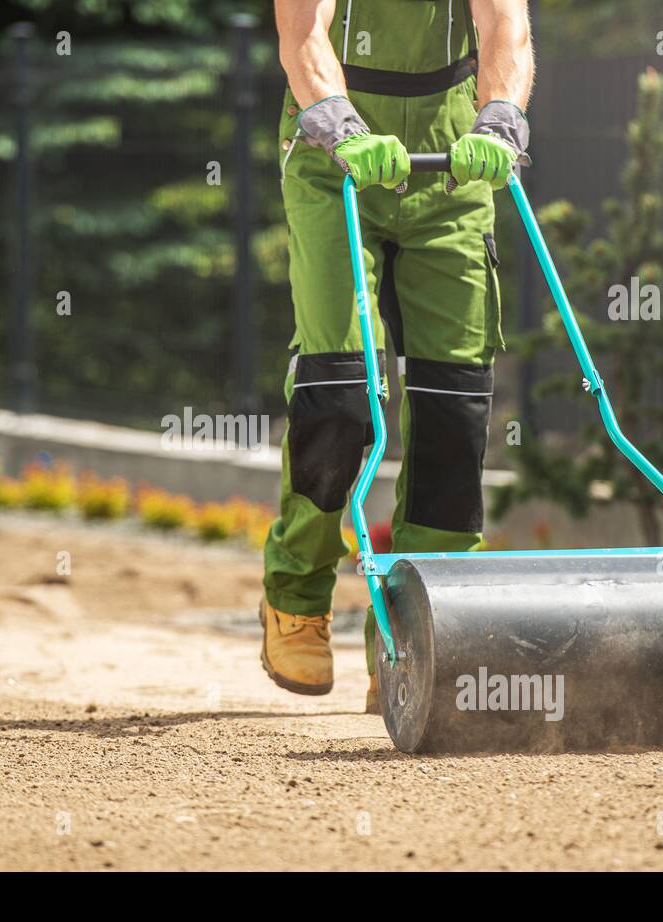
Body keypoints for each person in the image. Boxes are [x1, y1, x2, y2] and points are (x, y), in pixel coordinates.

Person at [261, 0, 535, 711]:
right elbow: (302, 34)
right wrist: (340, 123)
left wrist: (499, 114)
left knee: (454, 406)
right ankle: (295, 595)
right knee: (343, 394)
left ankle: (418, 629)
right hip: (335, 158)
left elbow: (506, 26)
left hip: (450, 161)